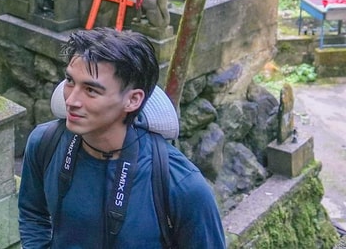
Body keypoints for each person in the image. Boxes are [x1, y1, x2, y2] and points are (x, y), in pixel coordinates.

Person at [18, 28, 226, 248]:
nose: (71, 100)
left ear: (133, 100)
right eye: (70, 81)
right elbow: (32, 213)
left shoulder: (181, 185)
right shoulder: (45, 143)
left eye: (90, 90)